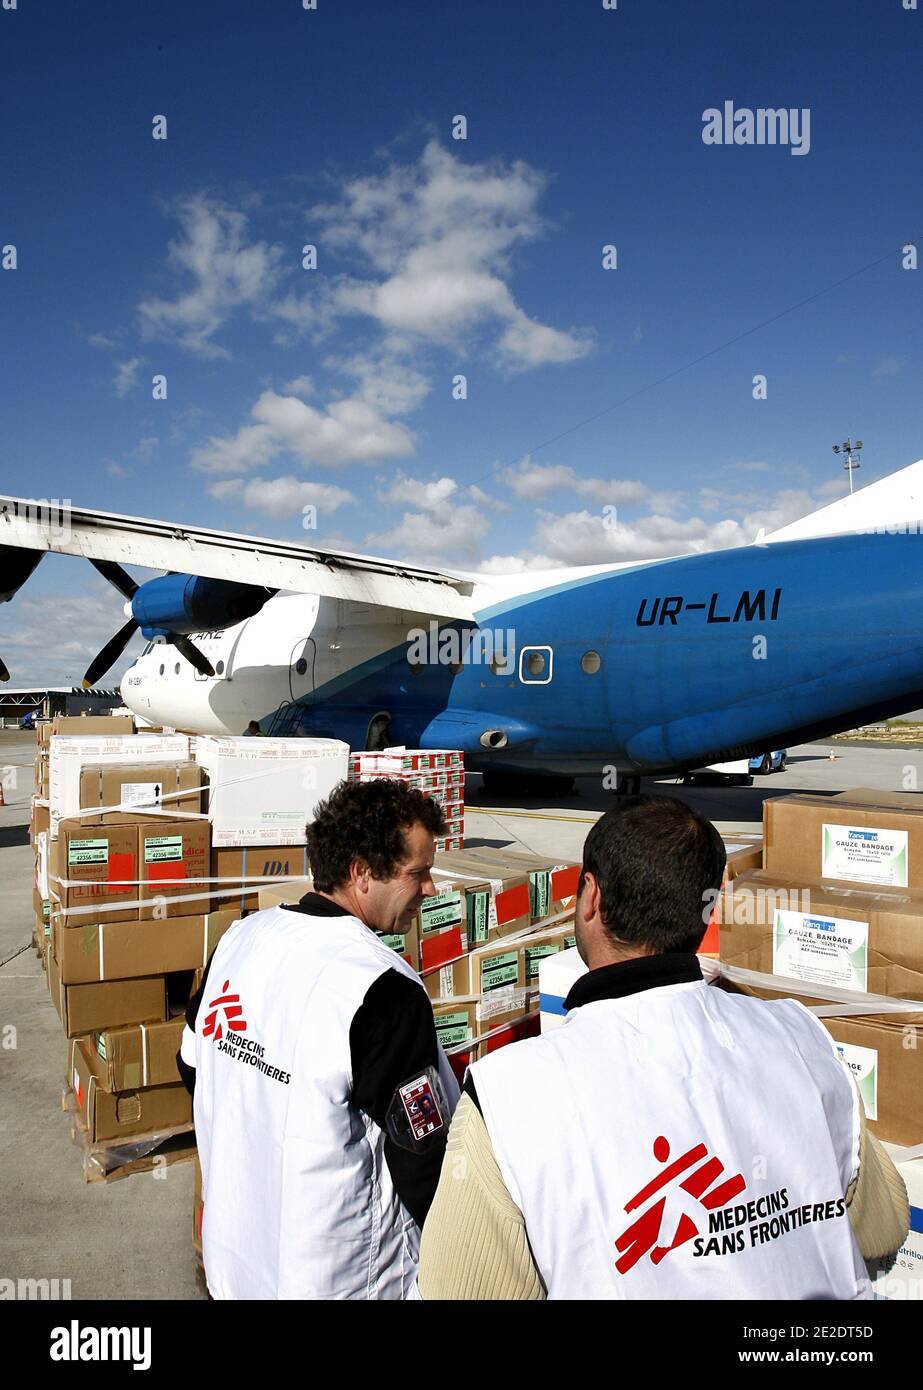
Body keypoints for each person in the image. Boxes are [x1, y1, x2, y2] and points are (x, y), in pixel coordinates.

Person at [418, 795, 909, 1300]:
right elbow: (884, 1228)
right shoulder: (800, 1036)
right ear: (709, 908)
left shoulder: (508, 1095)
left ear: (590, 898)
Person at [178, 778, 459, 1299]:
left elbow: (192, 1065)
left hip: (233, 1266)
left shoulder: (240, 939)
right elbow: (424, 1161)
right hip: (345, 1277)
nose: (430, 890)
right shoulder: (380, 988)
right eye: (417, 874)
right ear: (361, 873)